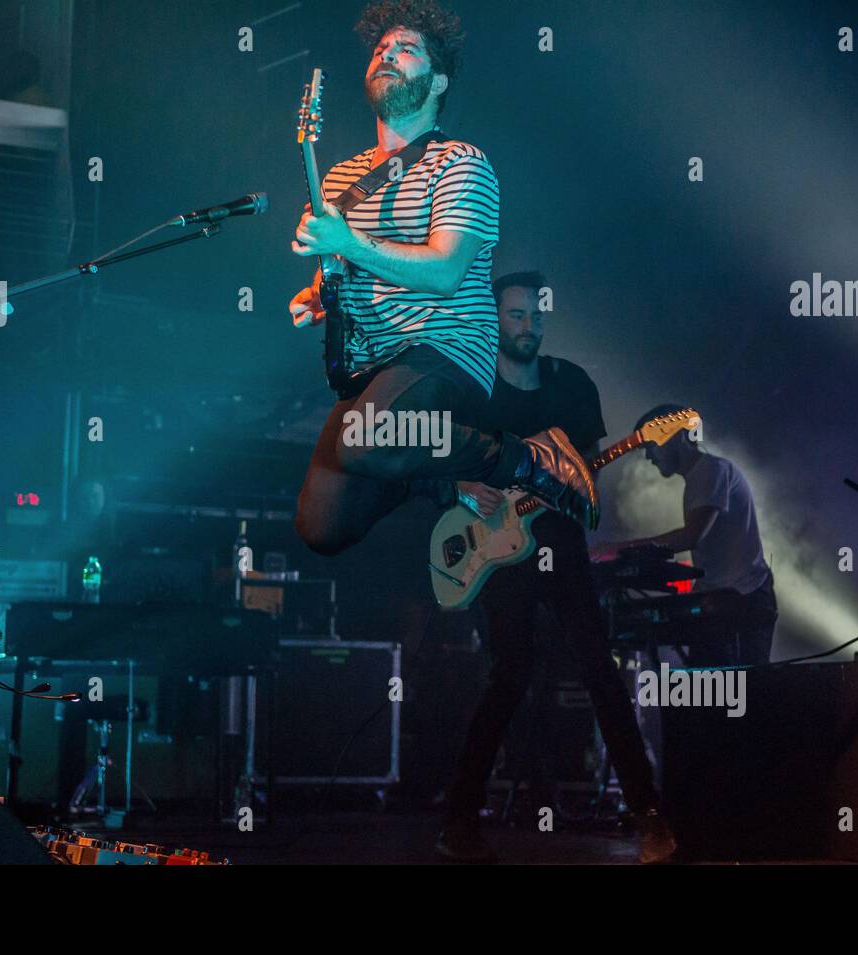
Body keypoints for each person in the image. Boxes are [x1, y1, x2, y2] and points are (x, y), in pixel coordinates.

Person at [289, 0, 598, 559]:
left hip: (445, 344)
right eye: (381, 49)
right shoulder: (340, 177)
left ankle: (530, 459)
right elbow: (345, 269)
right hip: (372, 365)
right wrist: (317, 293)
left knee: (367, 439)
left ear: (437, 81)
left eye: (406, 49)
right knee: (321, 527)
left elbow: (447, 272)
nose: (388, 55)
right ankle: (437, 474)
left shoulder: (462, 164)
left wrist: (349, 243)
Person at [436, 271, 676, 864]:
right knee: (508, 677)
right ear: (493, 320)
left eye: (536, 314)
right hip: (499, 554)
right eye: (516, 314)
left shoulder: (573, 385)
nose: (529, 325)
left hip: (562, 547)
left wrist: (580, 479)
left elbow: (589, 468)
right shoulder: (470, 387)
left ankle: (650, 817)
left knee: (600, 671)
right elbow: (429, 462)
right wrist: (463, 486)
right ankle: (459, 819)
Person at [602, 405, 777, 666]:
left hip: (743, 599)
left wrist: (618, 550)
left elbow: (690, 537)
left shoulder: (711, 470)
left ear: (677, 435)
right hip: (725, 597)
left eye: (651, 444)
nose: (649, 456)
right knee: (715, 694)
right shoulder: (701, 475)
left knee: (740, 695)